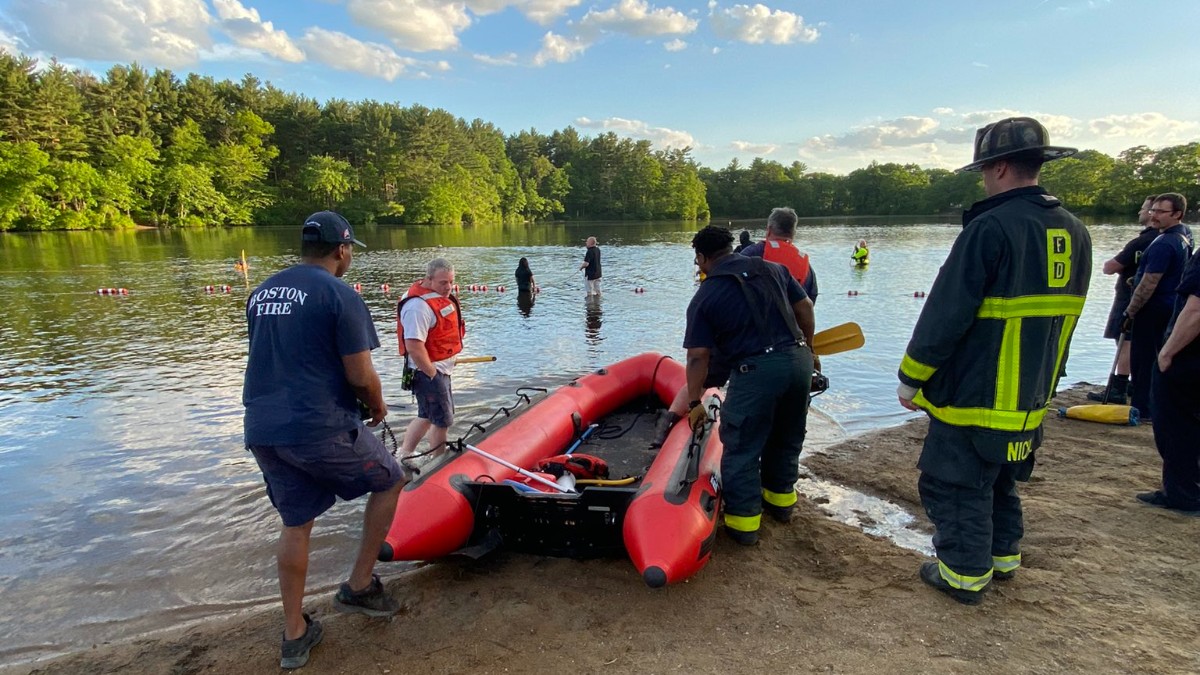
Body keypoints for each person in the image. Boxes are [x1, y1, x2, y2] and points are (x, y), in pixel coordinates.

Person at [896, 117, 1091, 605]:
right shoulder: (1075, 230)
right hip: (1030, 394)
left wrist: (911, 378)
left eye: (984, 169)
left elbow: (945, 314)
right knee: (1002, 479)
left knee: (954, 484)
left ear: (1000, 167)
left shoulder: (990, 227)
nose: (984, 179)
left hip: (977, 393)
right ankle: (1003, 558)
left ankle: (963, 576)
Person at [242, 211, 405, 669]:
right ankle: (358, 586)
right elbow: (361, 374)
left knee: (296, 523)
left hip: (263, 428)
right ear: (342, 249)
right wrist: (377, 406)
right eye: (350, 250)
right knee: (391, 479)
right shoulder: (340, 294)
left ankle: (294, 634)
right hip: (318, 425)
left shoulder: (261, 293)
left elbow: (279, 357)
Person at [684, 225, 815, 546]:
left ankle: (743, 526)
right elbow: (805, 308)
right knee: (787, 437)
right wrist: (811, 351)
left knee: (741, 445)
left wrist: (694, 402)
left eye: (697, 260)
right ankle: (781, 505)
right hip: (799, 360)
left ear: (701, 257)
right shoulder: (774, 269)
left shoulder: (706, 295)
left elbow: (698, 357)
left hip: (756, 370)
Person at [1122, 193, 1193, 421]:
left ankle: (1142, 408)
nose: (1154, 215)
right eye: (1153, 210)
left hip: (1153, 308)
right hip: (1171, 305)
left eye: (1161, 212)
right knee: (1156, 356)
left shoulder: (1164, 243)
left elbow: (1150, 282)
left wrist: (1130, 311)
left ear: (1177, 214)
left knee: (1143, 360)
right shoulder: (1185, 235)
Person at [1142, 245, 1200, 515]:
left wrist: (1167, 352)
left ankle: (1183, 494)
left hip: (1189, 359)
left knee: (1175, 425)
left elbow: (1196, 310)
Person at [1087, 195, 1159, 404]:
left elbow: (1110, 267)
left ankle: (1118, 386)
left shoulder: (1143, 241)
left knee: (1125, 339)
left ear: (1152, 212)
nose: (1140, 212)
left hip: (1130, 297)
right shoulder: (1173, 237)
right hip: (1151, 300)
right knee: (1138, 341)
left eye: (1144, 208)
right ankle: (1135, 383)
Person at [398, 258, 465, 464]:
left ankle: (404, 455)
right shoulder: (418, 307)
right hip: (428, 373)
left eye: (451, 282)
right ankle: (438, 462)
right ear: (428, 279)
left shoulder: (434, 298)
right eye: (443, 282)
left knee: (426, 415)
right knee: (442, 420)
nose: (448, 287)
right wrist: (432, 374)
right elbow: (414, 346)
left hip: (439, 370)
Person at [739, 207, 819, 303]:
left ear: (769, 229)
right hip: (792, 311)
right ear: (793, 233)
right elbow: (812, 296)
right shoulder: (804, 263)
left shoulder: (753, 252)